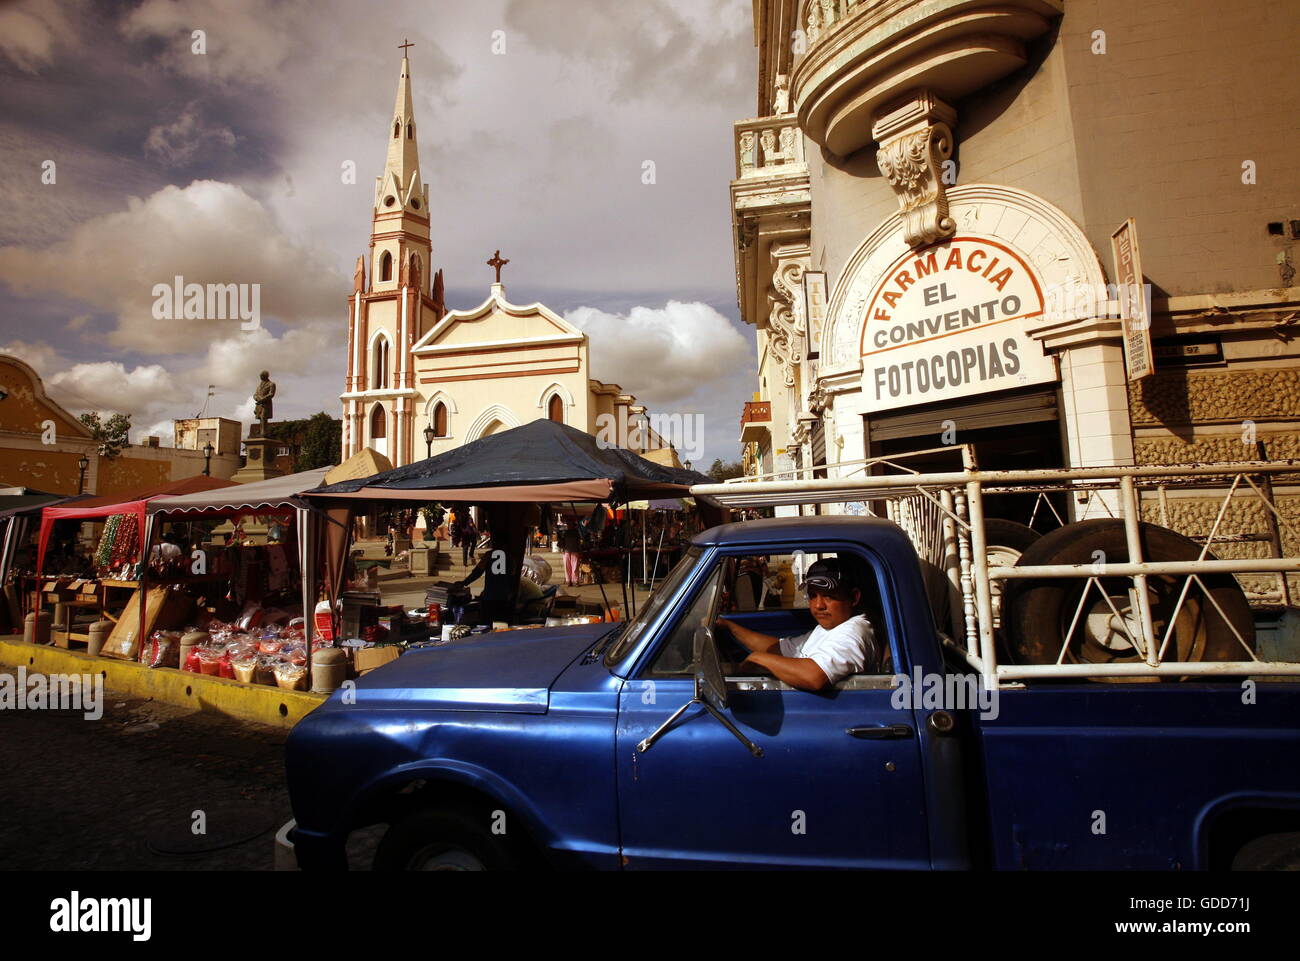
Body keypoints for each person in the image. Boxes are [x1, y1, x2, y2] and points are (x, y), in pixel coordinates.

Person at [715, 558, 878, 692]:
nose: (818, 605)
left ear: (854, 597)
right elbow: (779, 648)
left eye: (829, 596)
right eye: (813, 595)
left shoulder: (853, 631)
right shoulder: (829, 626)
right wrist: (729, 627)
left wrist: (759, 659)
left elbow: (814, 676)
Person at [560, 521, 583, 586]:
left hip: (575, 550)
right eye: (568, 524)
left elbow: (579, 542)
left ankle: (575, 581)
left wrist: (580, 550)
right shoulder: (565, 533)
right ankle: (568, 581)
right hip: (566, 551)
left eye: (570, 524)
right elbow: (562, 541)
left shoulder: (576, 532)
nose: (569, 525)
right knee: (567, 566)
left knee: (575, 566)